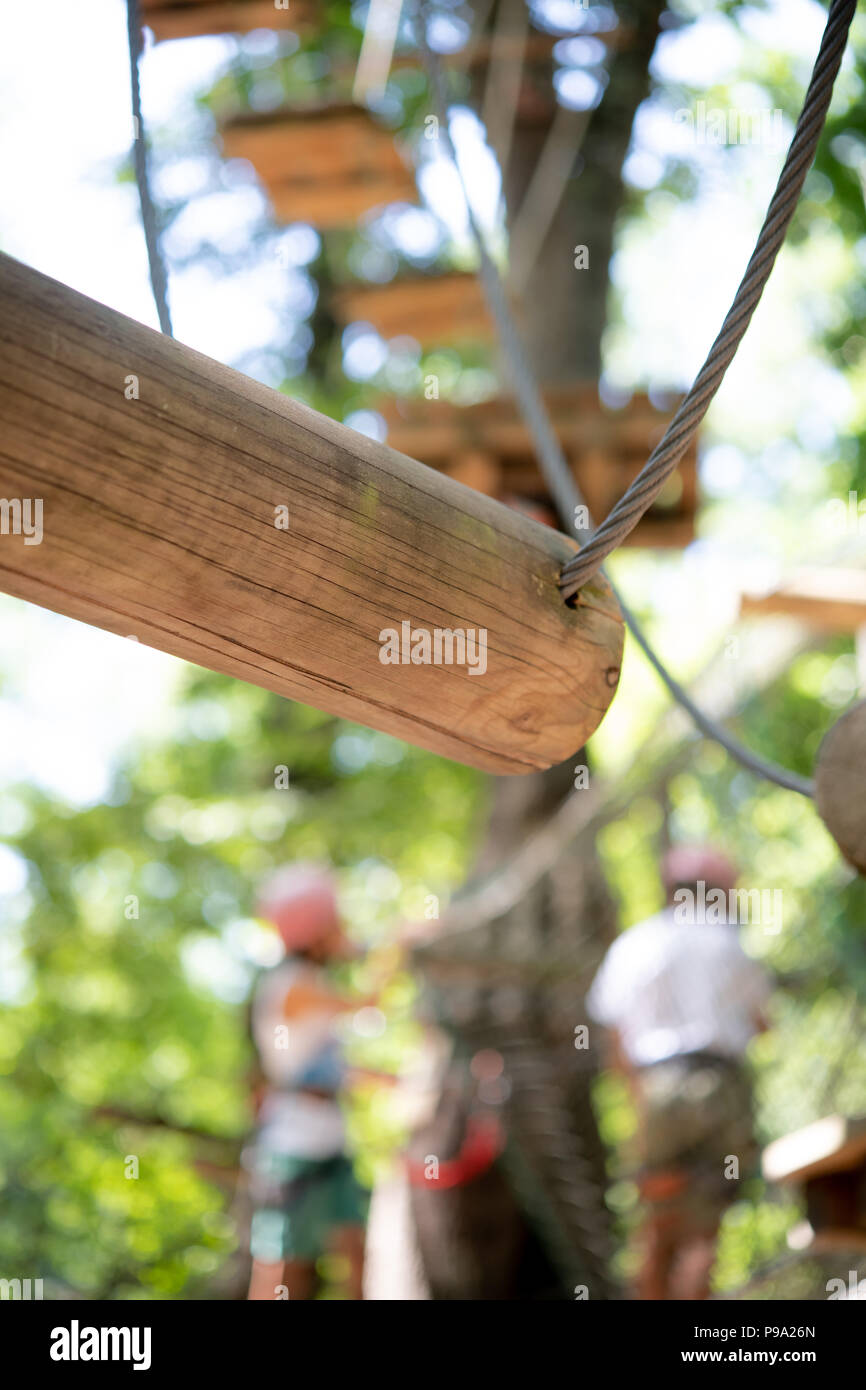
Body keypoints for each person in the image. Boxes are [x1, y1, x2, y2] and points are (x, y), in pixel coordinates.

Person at [586, 845, 771, 1300]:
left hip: (657, 1089)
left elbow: (613, 1035)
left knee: (655, 1224)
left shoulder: (634, 943)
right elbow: (763, 1023)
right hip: (719, 1088)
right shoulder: (729, 942)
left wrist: (638, 1094)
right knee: (703, 1232)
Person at [245, 863, 369, 1301]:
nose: (343, 929)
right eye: (333, 921)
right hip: (293, 1146)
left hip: (328, 1140)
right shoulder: (291, 985)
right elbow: (366, 1002)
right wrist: (404, 945)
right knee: (283, 1268)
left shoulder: (311, 982)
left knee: (356, 1256)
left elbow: (335, 1068)